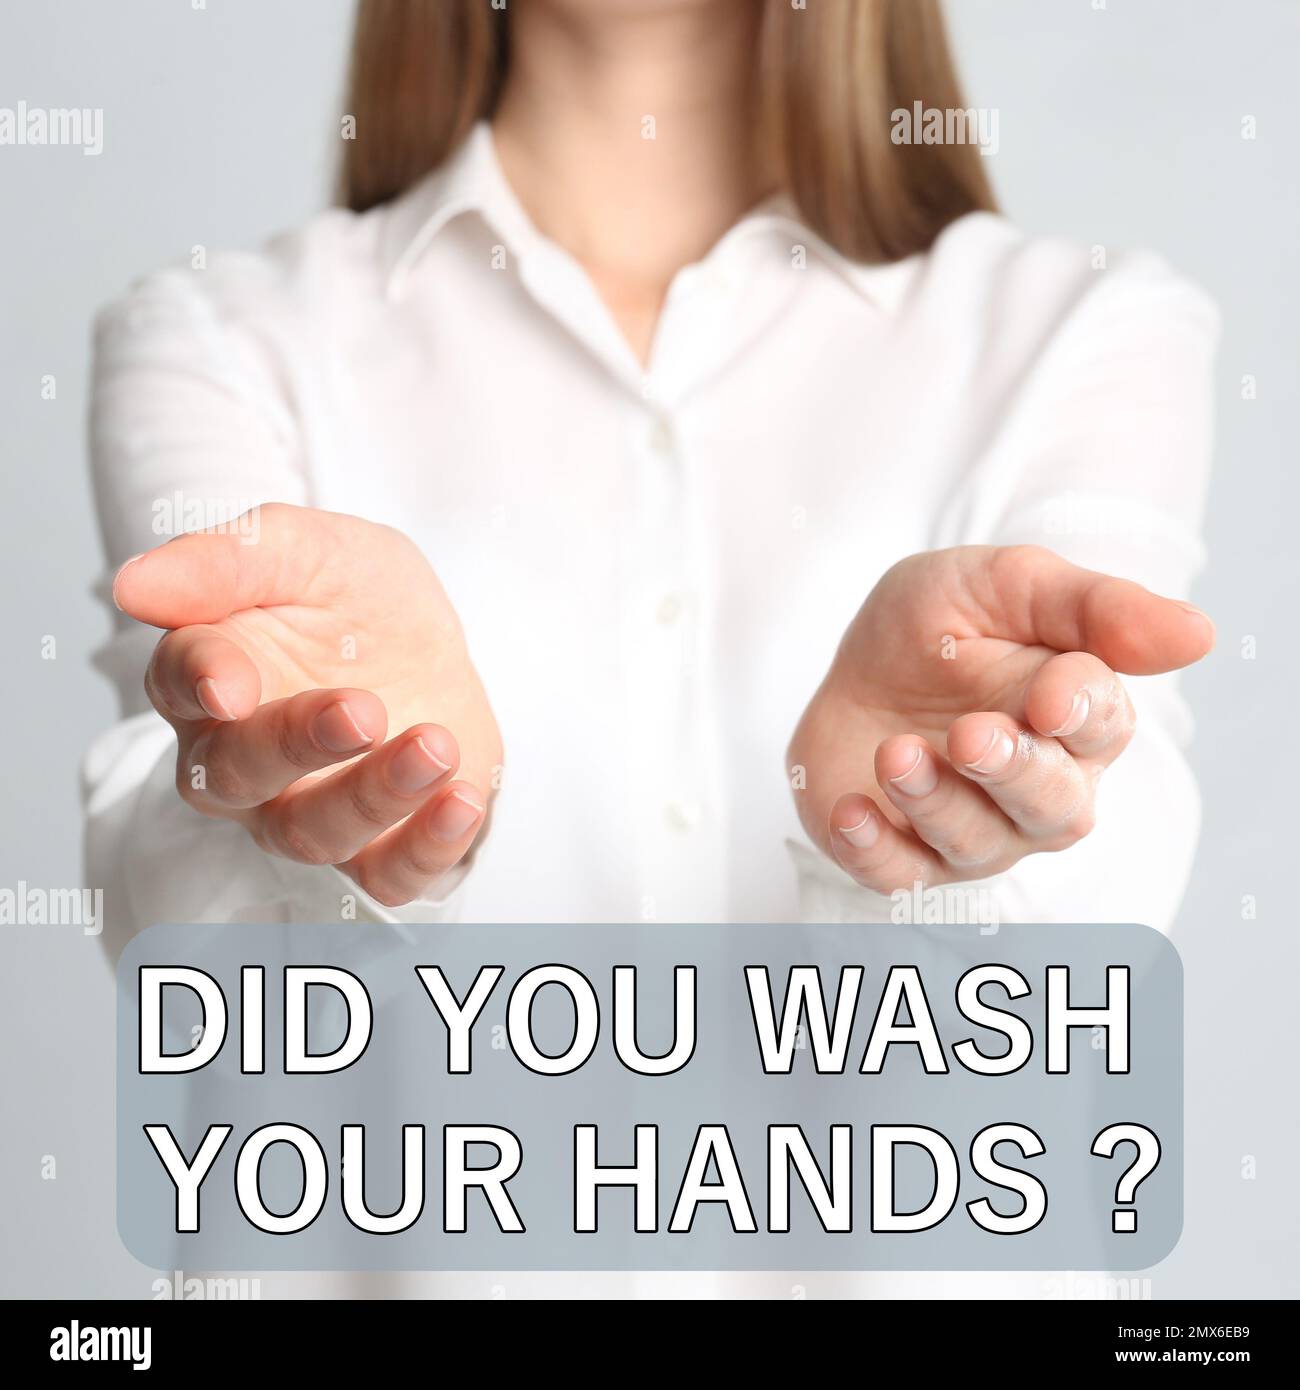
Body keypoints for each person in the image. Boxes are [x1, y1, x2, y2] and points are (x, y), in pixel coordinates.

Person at [86, 0, 1217, 963]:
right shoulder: (220, 338)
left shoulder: (1084, 332)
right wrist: (344, 823)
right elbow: (189, 967)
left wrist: (922, 844)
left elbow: (1088, 963)